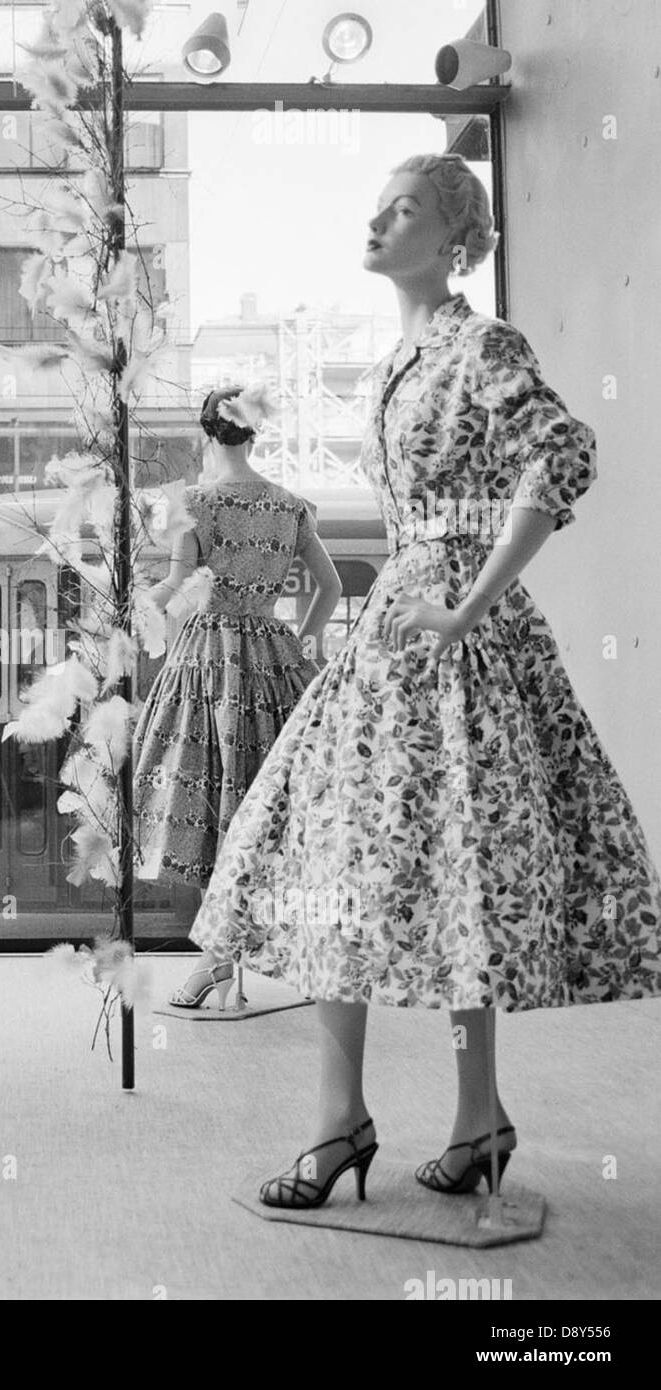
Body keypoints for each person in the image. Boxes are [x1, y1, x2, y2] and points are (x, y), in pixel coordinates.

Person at [191, 153, 661, 1208]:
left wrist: (468, 604)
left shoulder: (479, 340)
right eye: (374, 205)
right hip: (391, 633)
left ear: (452, 238)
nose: (375, 220)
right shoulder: (400, 355)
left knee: (463, 875)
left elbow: (563, 457)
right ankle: (354, 1116)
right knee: (334, 859)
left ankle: (461, 1117)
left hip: (447, 633)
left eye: (400, 209)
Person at [131, 382, 342, 1009]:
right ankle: (258, 957)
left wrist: (135, 609)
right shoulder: (292, 506)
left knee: (205, 798)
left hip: (208, 662)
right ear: (254, 432)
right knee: (262, 806)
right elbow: (326, 589)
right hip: (272, 661)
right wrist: (299, 646)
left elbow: (176, 582)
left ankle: (216, 966)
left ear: (206, 434)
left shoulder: (193, 504)